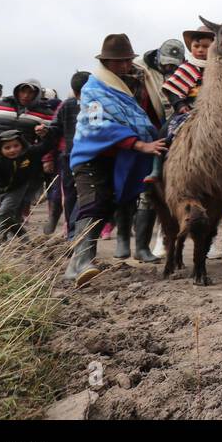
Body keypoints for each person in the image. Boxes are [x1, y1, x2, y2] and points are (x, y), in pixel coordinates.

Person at [65, 34, 164, 287]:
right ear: (106, 61)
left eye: (127, 60)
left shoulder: (127, 87)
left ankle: (75, 266)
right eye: (119, 61)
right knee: (93, 204)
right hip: (90, 157)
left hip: (114, 158)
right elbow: (97, 127)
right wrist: (140, 144)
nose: (124, 65)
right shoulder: (94, 89)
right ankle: (84, 263)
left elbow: (139, 118)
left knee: (106, 206)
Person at [38, 71, 89, 239]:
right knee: (70, 197)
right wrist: (46, 132)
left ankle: (76, 234)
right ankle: (73, 233)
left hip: (87, 158)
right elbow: (55, 129)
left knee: (82, 196)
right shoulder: (68, 105)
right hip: (71, 157)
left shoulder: (96, 106)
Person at [0, 127, 60, 238]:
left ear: (22, 145)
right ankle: (9, 239)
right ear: (0, 149)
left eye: (16, 146)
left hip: (18, 188)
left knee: (2, 215)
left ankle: (19, 236)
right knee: (6, 217)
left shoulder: (30, 153)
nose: (12, 150)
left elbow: (47, 146)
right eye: (7, 148)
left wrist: (45, 135)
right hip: (1, 190)